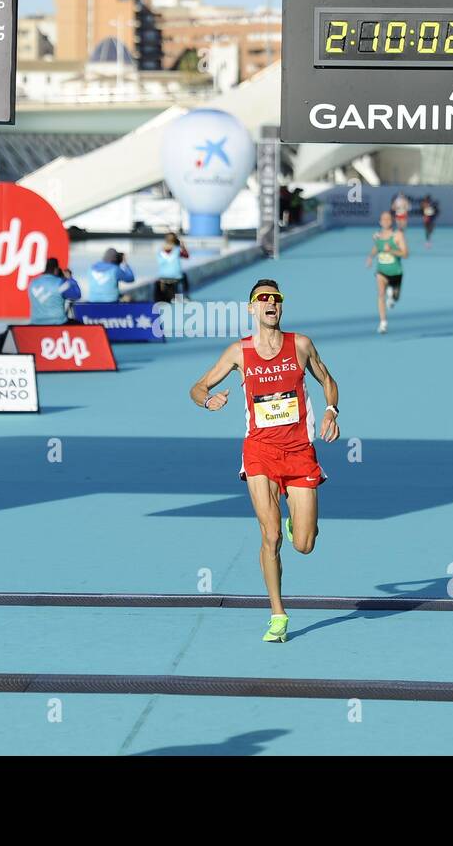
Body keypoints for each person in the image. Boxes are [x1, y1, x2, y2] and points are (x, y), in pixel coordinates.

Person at [188, 280, 339, 644]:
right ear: (251, 308)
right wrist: (208, 401)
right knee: (269, 535)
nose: (270, 303)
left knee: (304, 544)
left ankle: (296, 525)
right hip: (259, 452)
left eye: (276, 298)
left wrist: (332, 411)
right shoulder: (238, 352)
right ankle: (277, 614)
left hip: (300, 451)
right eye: (262, 298)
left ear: (281, 307)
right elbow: (198, 387)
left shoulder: (300, 345)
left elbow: (328, 380)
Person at [366, 210, 408, 334]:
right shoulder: (377, 236)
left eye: (388, 219)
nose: (385, 221)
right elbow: (376, 247)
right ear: (380, 222)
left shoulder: (398, 235)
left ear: (392, 221)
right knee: (380, 294)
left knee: (396, 297)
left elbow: (405, 254)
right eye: (383, 219)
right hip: (381, 271)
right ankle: (383, 322)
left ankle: (392, 296)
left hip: (396, 272)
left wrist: (391, 251)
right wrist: (370, 257)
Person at [28, 257, 81, 325]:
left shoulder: (33, 283)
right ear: (56, 270)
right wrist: (70, 279)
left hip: (36, 323)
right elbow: (76, 295)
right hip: (58, 323)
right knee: (80, 326)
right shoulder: (60, 283)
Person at [155, 233, 191, 303]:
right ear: (175, 240)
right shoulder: (177, 250)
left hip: (162, 275)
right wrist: (183, 246)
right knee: (183, 276)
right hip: (176, 275)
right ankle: (184, 296)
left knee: (173, 279)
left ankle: (172, 297)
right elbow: (187, 256)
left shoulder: (159, 250)